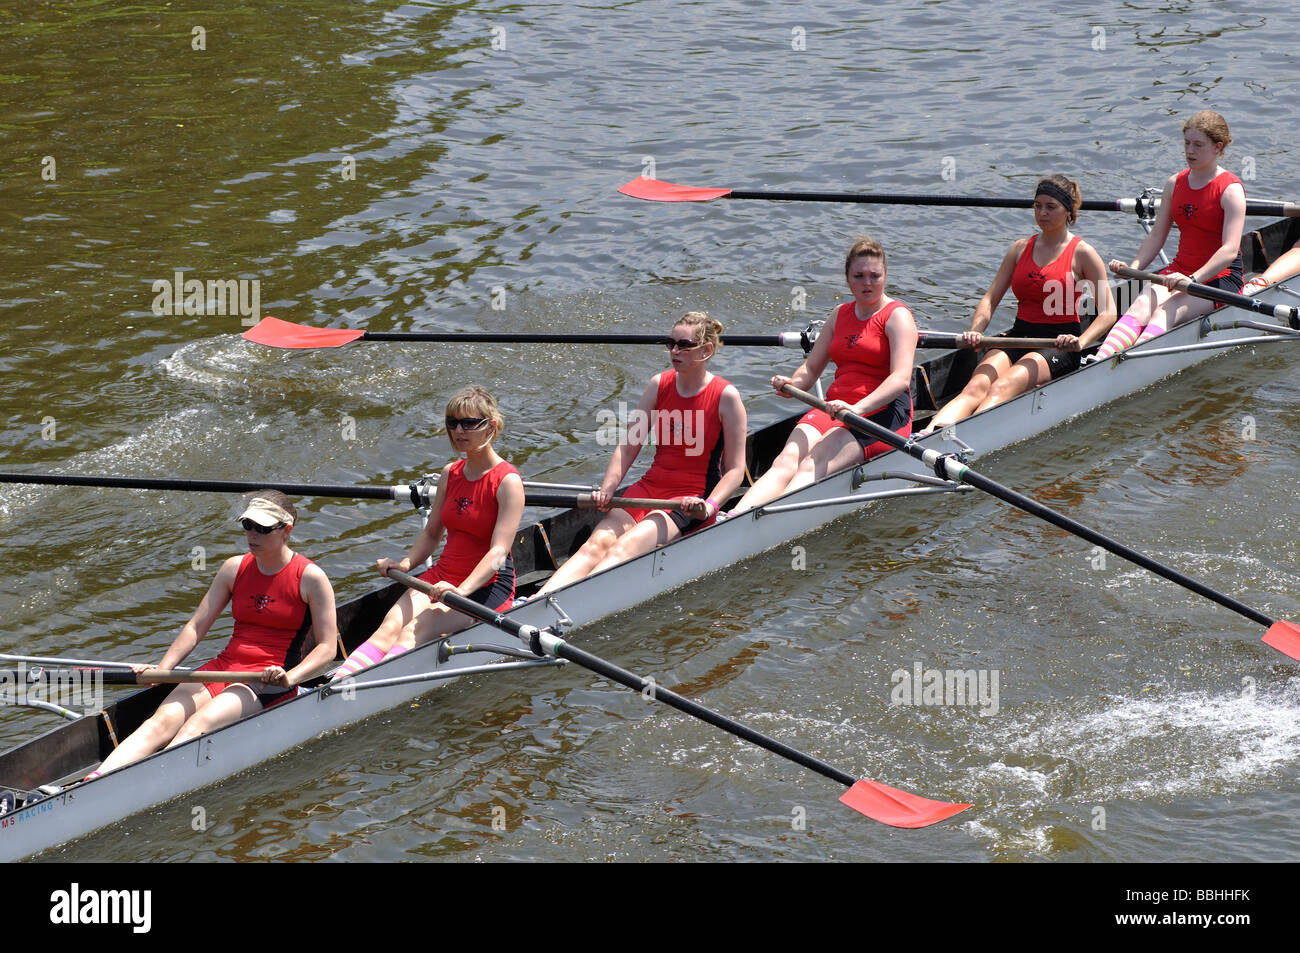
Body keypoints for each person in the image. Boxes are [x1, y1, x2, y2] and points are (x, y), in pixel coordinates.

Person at [90, 490, 339, 777]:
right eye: (248, 525)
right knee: (159, 722)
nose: (252, 535)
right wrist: (162, 670)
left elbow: (327, 648)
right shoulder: (234, 568)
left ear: (286, 531)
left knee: (198, 725)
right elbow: (196, 627)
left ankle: (145, 784)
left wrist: (289, 678)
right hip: (224, 667)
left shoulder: (310, 578)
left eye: (262, 528)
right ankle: (92, 782)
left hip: (267, 679)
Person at [532, 312, 747, 596]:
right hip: (649, 488)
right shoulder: (659, 384)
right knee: (595, 545)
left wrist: (710, 505)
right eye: (670, 343)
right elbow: (629, 445)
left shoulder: (726, 397)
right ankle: (537, 600)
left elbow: (735, 470)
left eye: (683, 345)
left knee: (623, 549)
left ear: (706, 350)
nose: (673, 351)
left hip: (689, 499)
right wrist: (608, 488)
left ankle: (570, 604)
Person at [332, 386, 524, 677]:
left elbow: (498, 553)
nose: (459, 430)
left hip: (486, 586)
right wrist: (405, 564)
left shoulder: (507, 481)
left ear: (491, 427)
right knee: (390, 625)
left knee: (413, 631)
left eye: (470, 423)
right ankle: (338, 686)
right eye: (452, 422)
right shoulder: (451, 473)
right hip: (443, 577)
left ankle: (369, 687)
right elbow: (433, 533)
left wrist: (460, 592)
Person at [728, 238, 916, 515]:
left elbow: (900, 378)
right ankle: (733, 518)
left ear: (885, 276)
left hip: (882, 412)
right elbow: (811, 369)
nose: (867, 283)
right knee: (786, 459)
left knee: (811, 464)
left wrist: (857, 409)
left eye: (875, 276)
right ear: (847, 279)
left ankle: (768, 521)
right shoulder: (839, 314)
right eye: (859, 276)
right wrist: (792, 384)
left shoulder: (897, 316)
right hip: (834, 406)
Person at [918, 176, 1116, 434]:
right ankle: (929, 434)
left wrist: (1082, 340)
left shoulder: (1083, 254)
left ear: (1068, 210)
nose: (1042, 213)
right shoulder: (1020, 249)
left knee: (1003, 386)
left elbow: (1108, 311)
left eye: (1050, 206)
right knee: (976, 385)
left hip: (1059, 343)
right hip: (1018, 335)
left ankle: (963, 439)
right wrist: (976, 330)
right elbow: (990, 299)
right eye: (1037, 206)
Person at [1090, 110, 1246, 361]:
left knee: (1167, 310)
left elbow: (1229, 250)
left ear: (1217, 147)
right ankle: (1100, 361)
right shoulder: (1175, 183)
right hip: (1180, 270)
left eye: (1198, 145)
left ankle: (1131, 363)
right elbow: (1156, 236)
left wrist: (1192, 279)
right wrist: (1134, 267)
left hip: (1221, 278)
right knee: (1141, 304)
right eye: (1186, 143)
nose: (1190, 151)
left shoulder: (1231, 190)